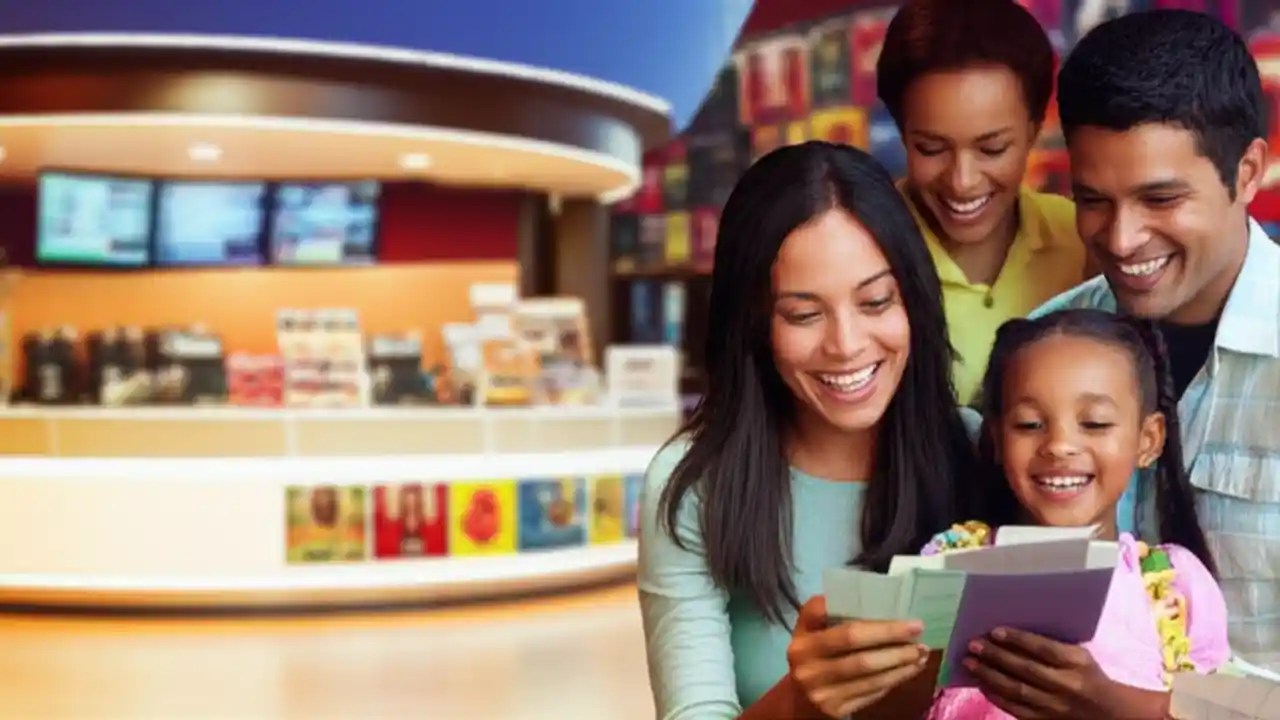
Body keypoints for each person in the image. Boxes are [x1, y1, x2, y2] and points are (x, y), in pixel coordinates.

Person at [637, 141, 981, 719]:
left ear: (913, 301)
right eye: (803, 314)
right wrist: (800, 702)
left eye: (875, 302)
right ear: (754, 324)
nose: (846, 345)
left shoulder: (976, 450)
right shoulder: (693, 486)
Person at [1032, 9, 1280, 671]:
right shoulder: (1044, 353)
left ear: (1248, 171)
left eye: (1161, 199)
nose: (1120, 238)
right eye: (1093, 200)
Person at [923, 310, 1230, 720]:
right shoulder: (950, 565)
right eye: (1030, 424)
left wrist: (1111, 705)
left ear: (1148, 439)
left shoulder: (1179, 587)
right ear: (996, 438)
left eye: (1095, 423)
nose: (1060, 445)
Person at [875, 0, 1089, 408]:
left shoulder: (1083, 239)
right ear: (902, 132)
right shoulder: (862, 250)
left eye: (992, 149)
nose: (962, 180)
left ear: (1034, 130)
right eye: (931, 148)